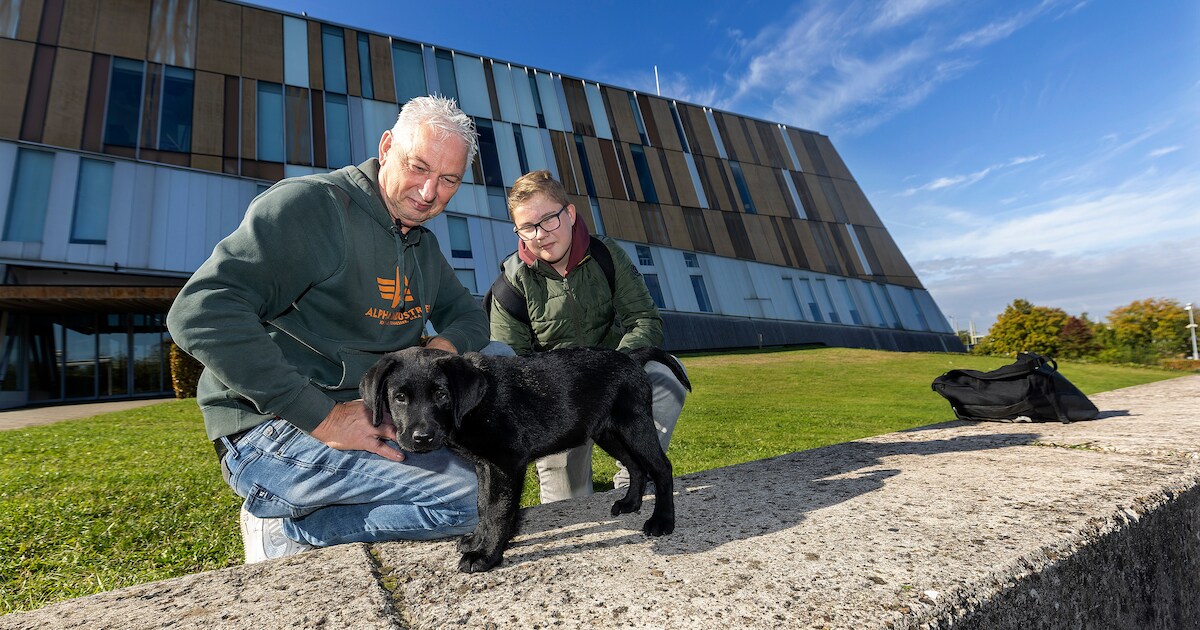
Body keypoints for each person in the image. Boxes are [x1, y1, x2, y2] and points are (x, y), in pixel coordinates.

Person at [167, 95, 510, 563]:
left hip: (371, 412)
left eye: (449, 179)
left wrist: (439, 352)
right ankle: (291, 528)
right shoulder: (313, 207)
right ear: (386, 147)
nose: (429, 191)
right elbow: (201, 311)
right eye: (418, 167)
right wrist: (324, 418)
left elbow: (470, 316)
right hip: (273, 428)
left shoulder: (422, 246)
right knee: (474, 498)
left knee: (499, 365)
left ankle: (333, 501)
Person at [488, 170, 688, 503]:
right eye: (527, 227)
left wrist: (614, 371)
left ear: (569, 214)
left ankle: (635, 472)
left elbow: (644, 318)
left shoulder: (606, 255)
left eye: (548, 220)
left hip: (615, 375)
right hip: (558, 400)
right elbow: (509, 367)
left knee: (667, 375)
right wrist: (561, 391)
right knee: (567, 507)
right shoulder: (509, 287)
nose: (540, 235)